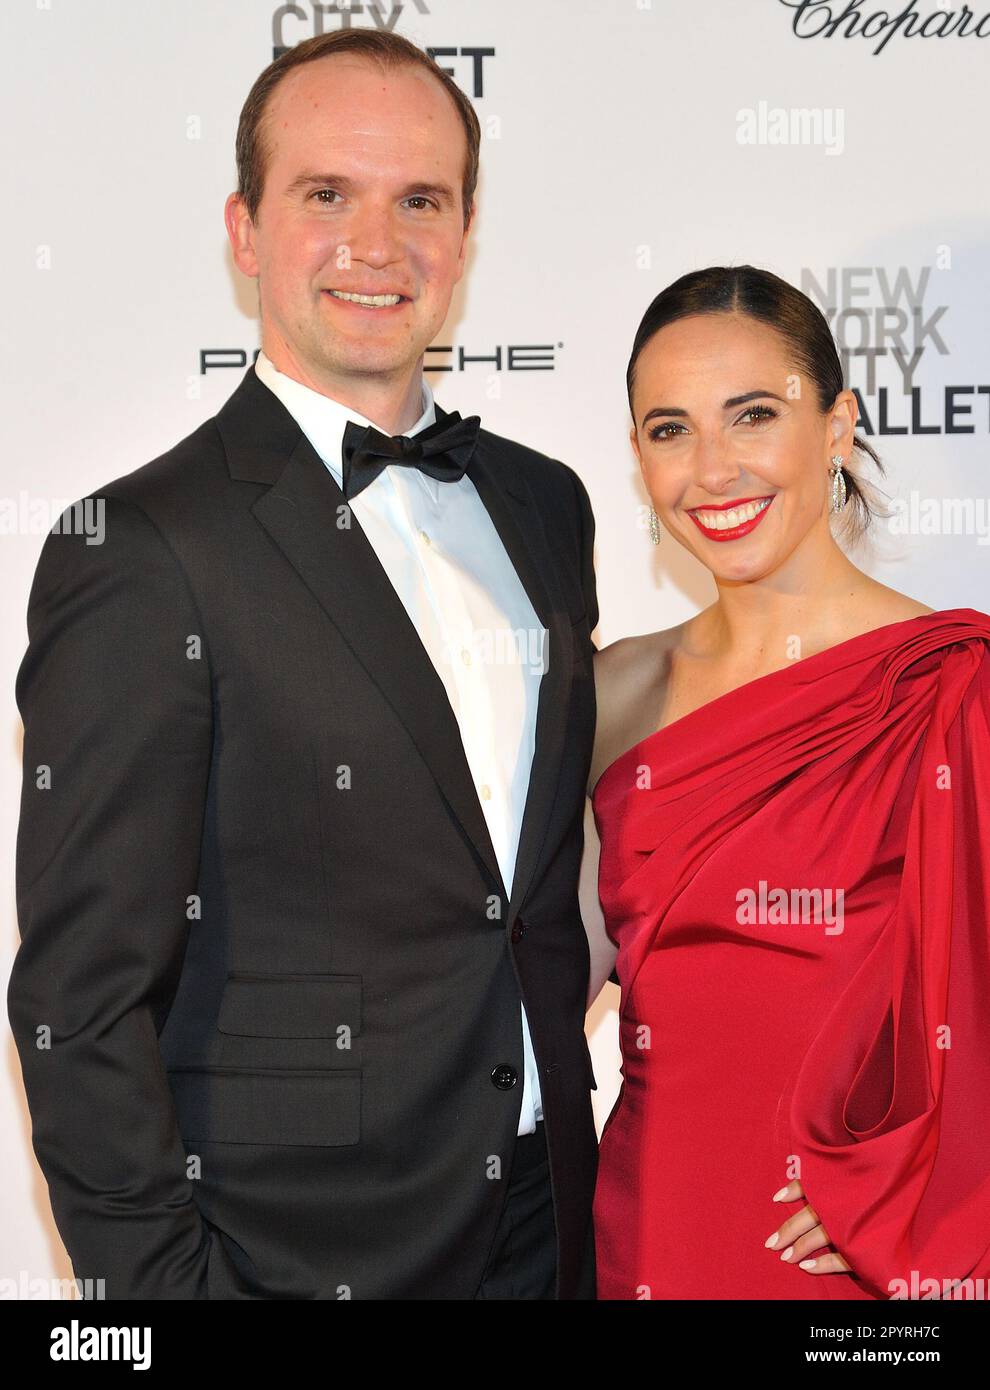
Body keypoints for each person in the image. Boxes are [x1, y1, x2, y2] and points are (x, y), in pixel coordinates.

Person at [9, 30, 600, 1300]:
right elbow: (80, 993)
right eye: (327, 193)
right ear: (244, 229)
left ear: (467, 230)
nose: (376, 245)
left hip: (551, 1226)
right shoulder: (142, 547)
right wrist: (165, 1293)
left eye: (419, 200)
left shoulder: (546, 507)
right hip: (286, 1254)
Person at [582, 264, 990, 1301]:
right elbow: (541, 976)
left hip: (855, 1252)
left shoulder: (952, 686)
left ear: (838, 425)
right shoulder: (613, 689)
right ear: (638, 459)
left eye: (753, 415)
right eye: (670, 430)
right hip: (653, 1225)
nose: (714, 470)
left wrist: (922, 1189)